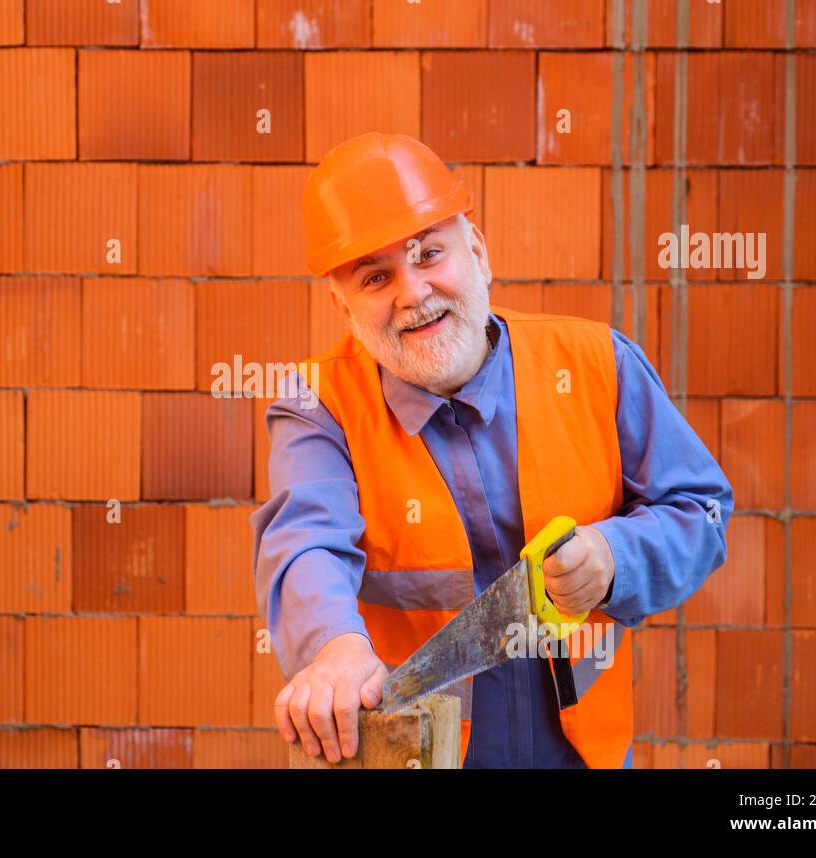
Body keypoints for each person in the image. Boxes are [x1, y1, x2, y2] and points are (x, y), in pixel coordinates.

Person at [249, 132, 734, 768]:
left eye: (428, 255)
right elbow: (305, 542)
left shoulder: (596, 364)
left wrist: (615, 557)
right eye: (376, 277)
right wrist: (334, 644)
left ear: (476, 249)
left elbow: (700, 510)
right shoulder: (318, 406)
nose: (413, 292)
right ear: (344, 307)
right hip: (423, 758)